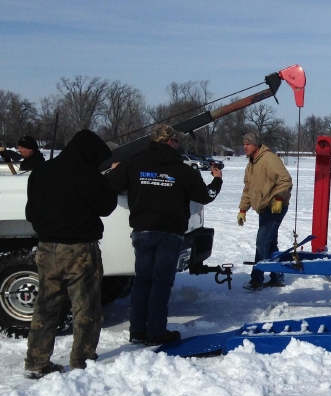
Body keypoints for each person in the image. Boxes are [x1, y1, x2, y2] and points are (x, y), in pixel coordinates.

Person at [109, 124, 223, 345]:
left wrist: (116, 171)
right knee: (161, 283)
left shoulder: (134, 164)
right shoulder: (183, 170)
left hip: (142, 231)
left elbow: (111, 184)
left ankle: (138, 331)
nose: (179, 145)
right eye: (177, 141)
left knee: (142, 281)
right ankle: (156, 332)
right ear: (170, 142)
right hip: (170, 233)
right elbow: (206, 196)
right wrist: (217, 179)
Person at [24, 129, 117, 379]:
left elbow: (30, 214)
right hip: (80, 251)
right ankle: (82, 361)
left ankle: (36, 361)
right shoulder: (88, 175)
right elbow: (107, 207)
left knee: (45, 306)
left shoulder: (40, 171)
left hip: (46, 249)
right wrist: (109, 179)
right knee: (85, 307)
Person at [237, 131, 293, 291]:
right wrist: (243, 209)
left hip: (275, 207)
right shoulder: (252, 163)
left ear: (256, 144)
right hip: (264, 208)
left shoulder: (269, 159)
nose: (245, 146)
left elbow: (285, 180)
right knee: (270, 243)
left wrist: (279, 198)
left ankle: (257, 279)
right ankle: (277, 277)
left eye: (248, 143)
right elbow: (248, 189)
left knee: (262, 242)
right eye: (244, 144)